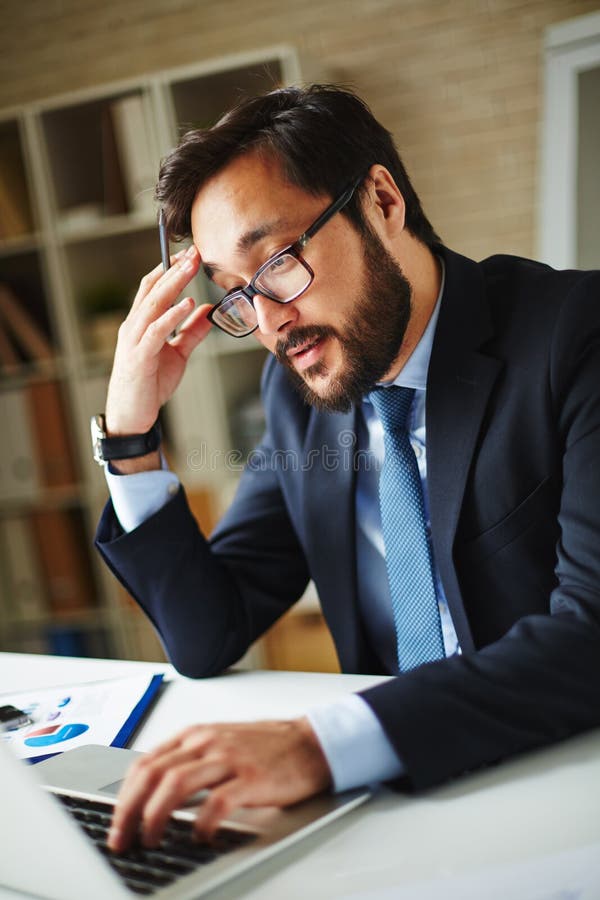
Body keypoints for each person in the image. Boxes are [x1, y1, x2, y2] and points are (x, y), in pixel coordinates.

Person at [94, 84, 600, 854]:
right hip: (388, 811)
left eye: (278, 263)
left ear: (382, 201)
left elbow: (590, 637)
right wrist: (130, 434)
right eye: (236, 296)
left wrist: (318, 746)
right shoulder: (299, 397)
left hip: (558, 791)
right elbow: (208, 632)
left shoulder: (576, 337)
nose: (270, 323)